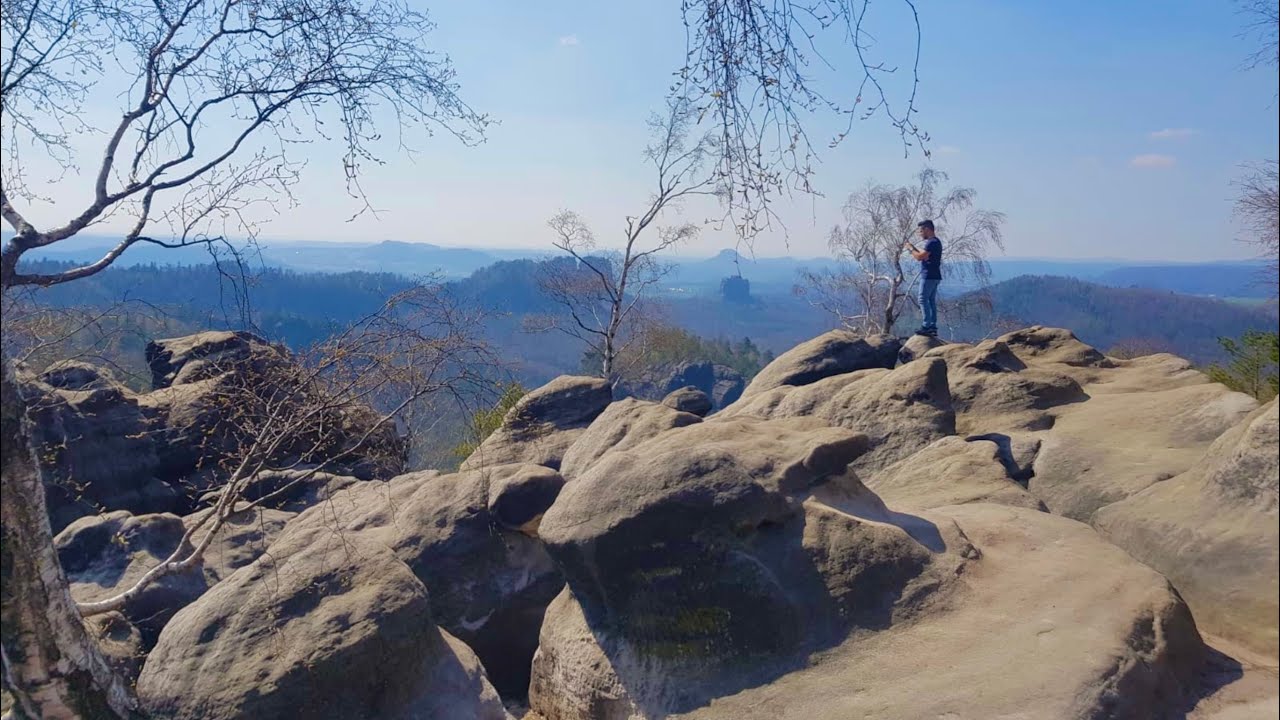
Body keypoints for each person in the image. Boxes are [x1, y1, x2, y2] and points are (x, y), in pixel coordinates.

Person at [904, 220, 943, 337]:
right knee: (930, 300)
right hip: (935, 275)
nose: (920, 234)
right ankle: (932, 326)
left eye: (921, 231)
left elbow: (920, 257)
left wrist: (910, 249)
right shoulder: (936, 242)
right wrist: (913, 247)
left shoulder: (931, 242)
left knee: (922, 299)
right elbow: (924, 254)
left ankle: (927, 326)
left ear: (927, 229)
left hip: (928, 276)